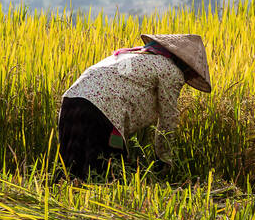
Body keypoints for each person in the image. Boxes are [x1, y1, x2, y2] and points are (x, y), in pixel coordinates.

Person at [57, 32, 211, 179]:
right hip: (101, 112)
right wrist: (164, 159)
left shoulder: (135, 56)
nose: (191, 77)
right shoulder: (171, 71)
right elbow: (168, 117)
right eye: (193, 72)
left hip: (70, 102)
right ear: (186, 65)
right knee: (108, 174)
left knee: (72, 171)